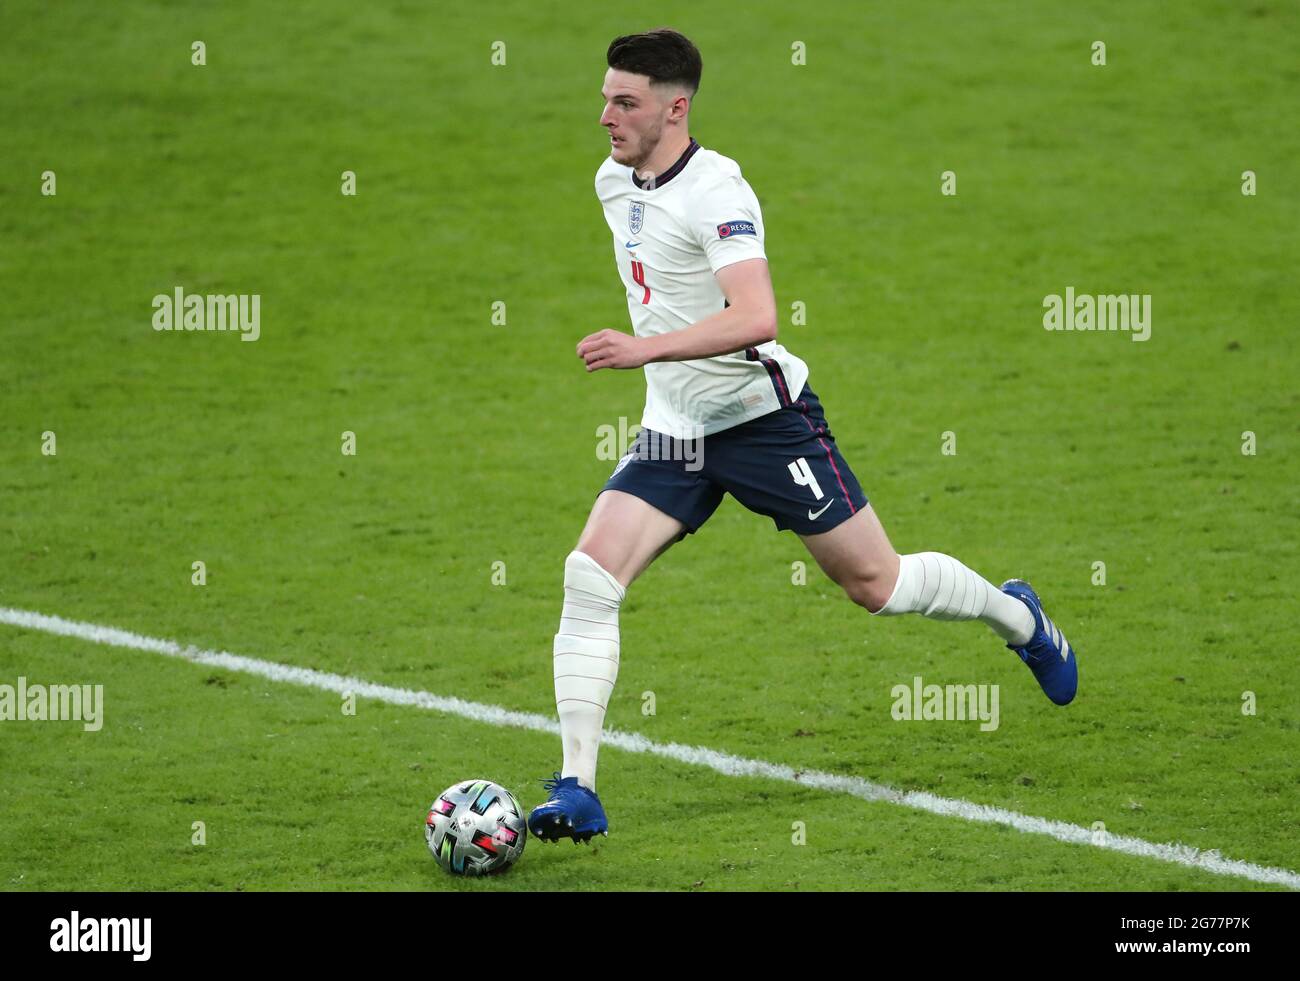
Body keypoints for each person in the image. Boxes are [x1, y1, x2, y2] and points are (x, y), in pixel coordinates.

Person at [528, 28, 1077, 845]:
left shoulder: (718, 192)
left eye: (625, 101)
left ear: (675, 109)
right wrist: (658, 372)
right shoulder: (614, 178)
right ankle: (579, 787)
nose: (604, 114)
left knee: (877, 585)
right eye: (606, 96)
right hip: (676, 426)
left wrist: (643, 348)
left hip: (763, 421)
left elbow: (757, 317)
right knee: (589, 575)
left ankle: (1020, 619)